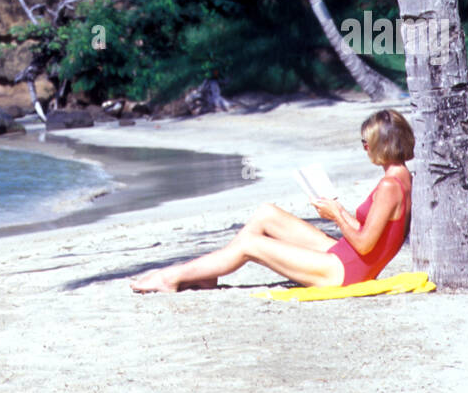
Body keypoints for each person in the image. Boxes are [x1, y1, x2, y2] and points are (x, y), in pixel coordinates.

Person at [129, 108, 413, 293]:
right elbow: (371, 234)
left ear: (380, 144)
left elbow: (365, 243)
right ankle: (207, 272)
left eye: (366, 143)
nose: (364, 148)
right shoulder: (400, 176)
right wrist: (334, 210)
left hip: (346, 271)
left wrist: (337, 213)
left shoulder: (389, 185)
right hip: (349, 256)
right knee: (267, 213)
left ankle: (172, 277)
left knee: (251, 245)